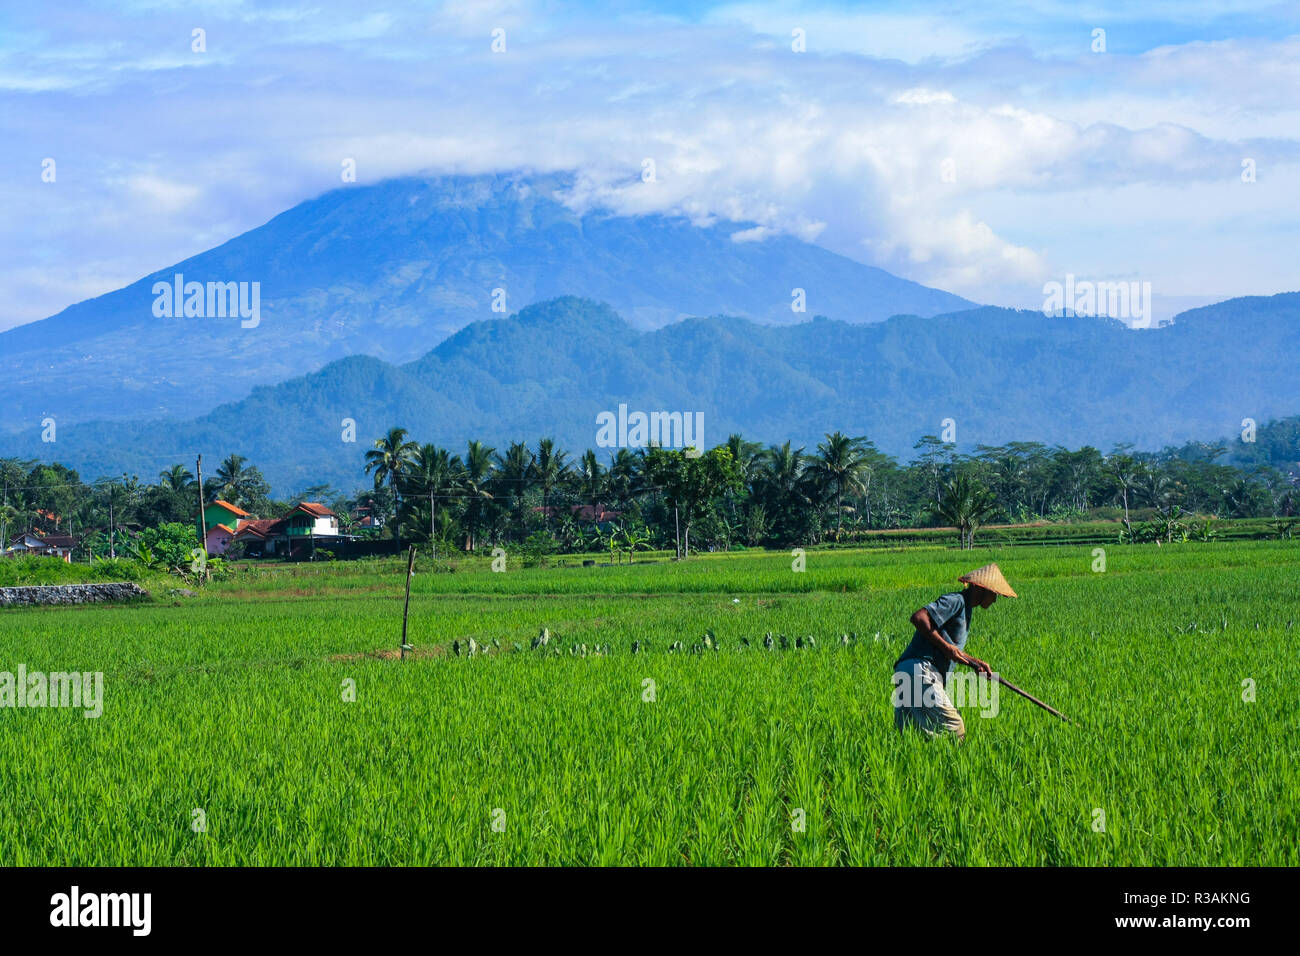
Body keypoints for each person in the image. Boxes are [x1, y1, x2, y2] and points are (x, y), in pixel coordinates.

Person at [891, 563, 1017, 740]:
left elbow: (952, 649)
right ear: (980, 588)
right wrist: (946, 647)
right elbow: (918, 618)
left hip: (909, 670)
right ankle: (958, 763)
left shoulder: (965, 609)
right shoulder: (956, 601)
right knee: (955, 728)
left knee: (912, 734)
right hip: (921, 669)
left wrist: (976, 663)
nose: (995, 599)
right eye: (993, 593)